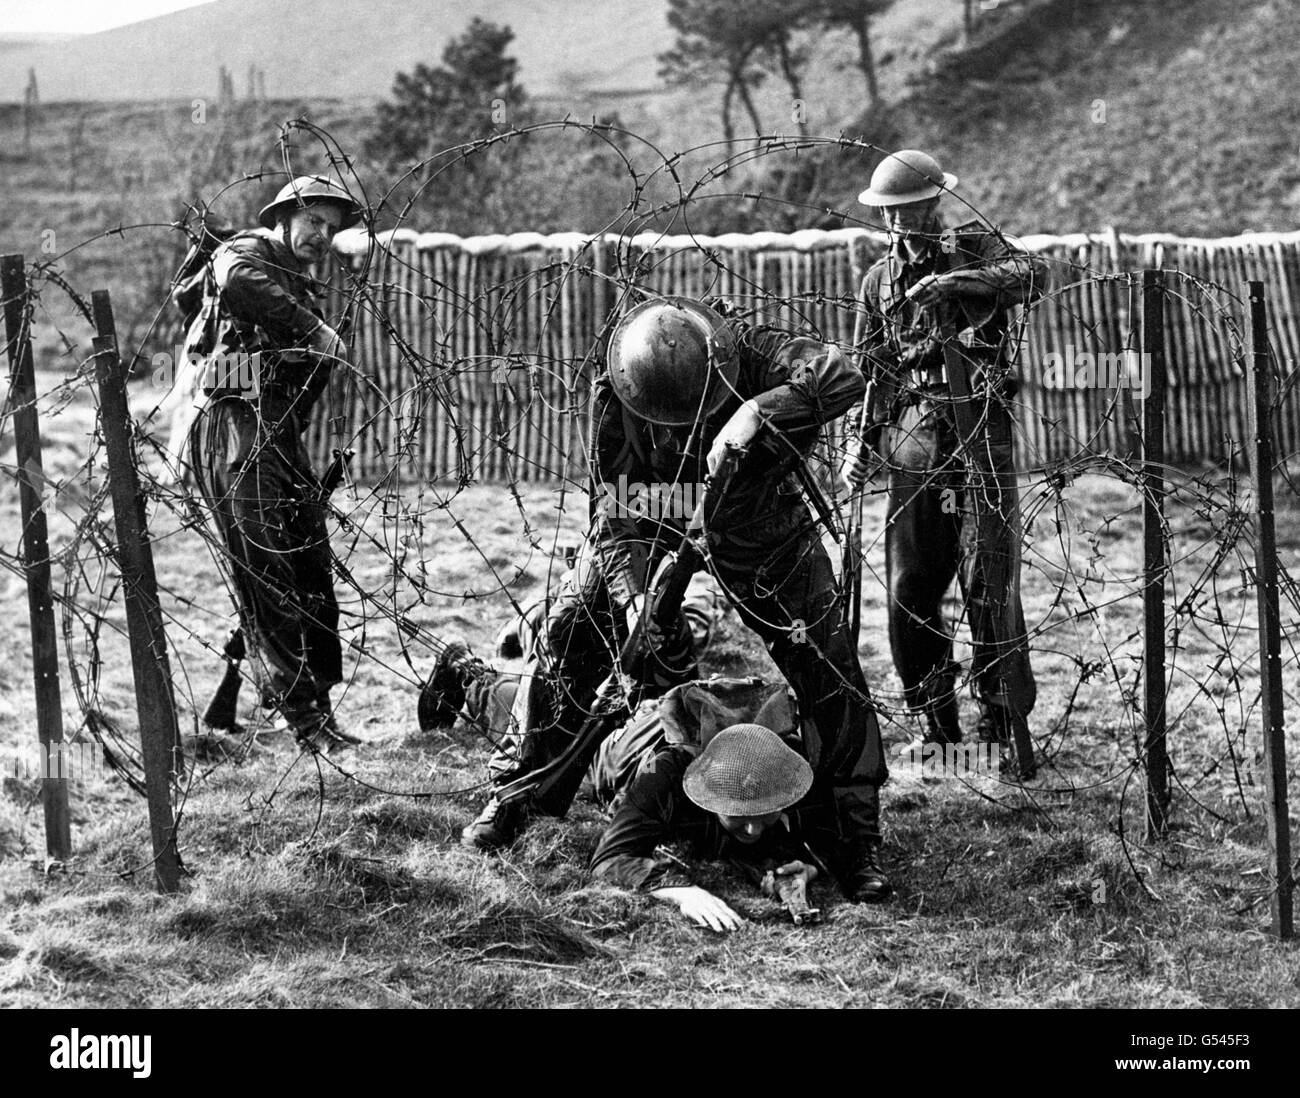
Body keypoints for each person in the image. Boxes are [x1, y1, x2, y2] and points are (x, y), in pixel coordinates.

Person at [459, 296, 891, 902]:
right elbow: (614, 512)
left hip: (757, 523)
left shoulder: (755, 351)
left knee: (825, 664)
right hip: (654, 518)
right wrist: (635, 599)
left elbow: (841, 375)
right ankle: (519, 794)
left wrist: (756, 415)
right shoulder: (620, 387)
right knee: (573, 634)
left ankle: (851, 837)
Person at [843, 149, 1048, 776]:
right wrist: (861, 442)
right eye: (893, 214)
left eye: (914, 209)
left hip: (980, 435)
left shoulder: (976, 249)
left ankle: (1001, 723)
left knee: (989, 582)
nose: (904, 223)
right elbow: (870, 368)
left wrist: (959, 284)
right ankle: (936, 722)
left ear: (936, 204)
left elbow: (1035, 274)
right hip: (912, 443)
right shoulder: (878, 281)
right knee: (911, 586)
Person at [423, 648, 846, 932]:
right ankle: (467, 672)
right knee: (537, 729)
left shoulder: (786, 764)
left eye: (763, 816)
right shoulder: (666, 775)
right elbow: (610, 858)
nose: (753, 831)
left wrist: (799, 865)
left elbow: (807, 833)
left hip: (679, 721)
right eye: (738, 815)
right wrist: (679, 889)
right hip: (614, 754)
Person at [186, 174, 365, 754]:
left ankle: (309, 702)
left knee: (307, 567)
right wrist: (314, 328)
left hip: (278, 436)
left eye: (331, 229)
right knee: (268, 566)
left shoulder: (300, 284)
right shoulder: (249, 253)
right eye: (314, 220)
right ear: (284, 218)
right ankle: (304, 720)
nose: (322, 235)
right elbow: (233, 279)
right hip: (234, 426)